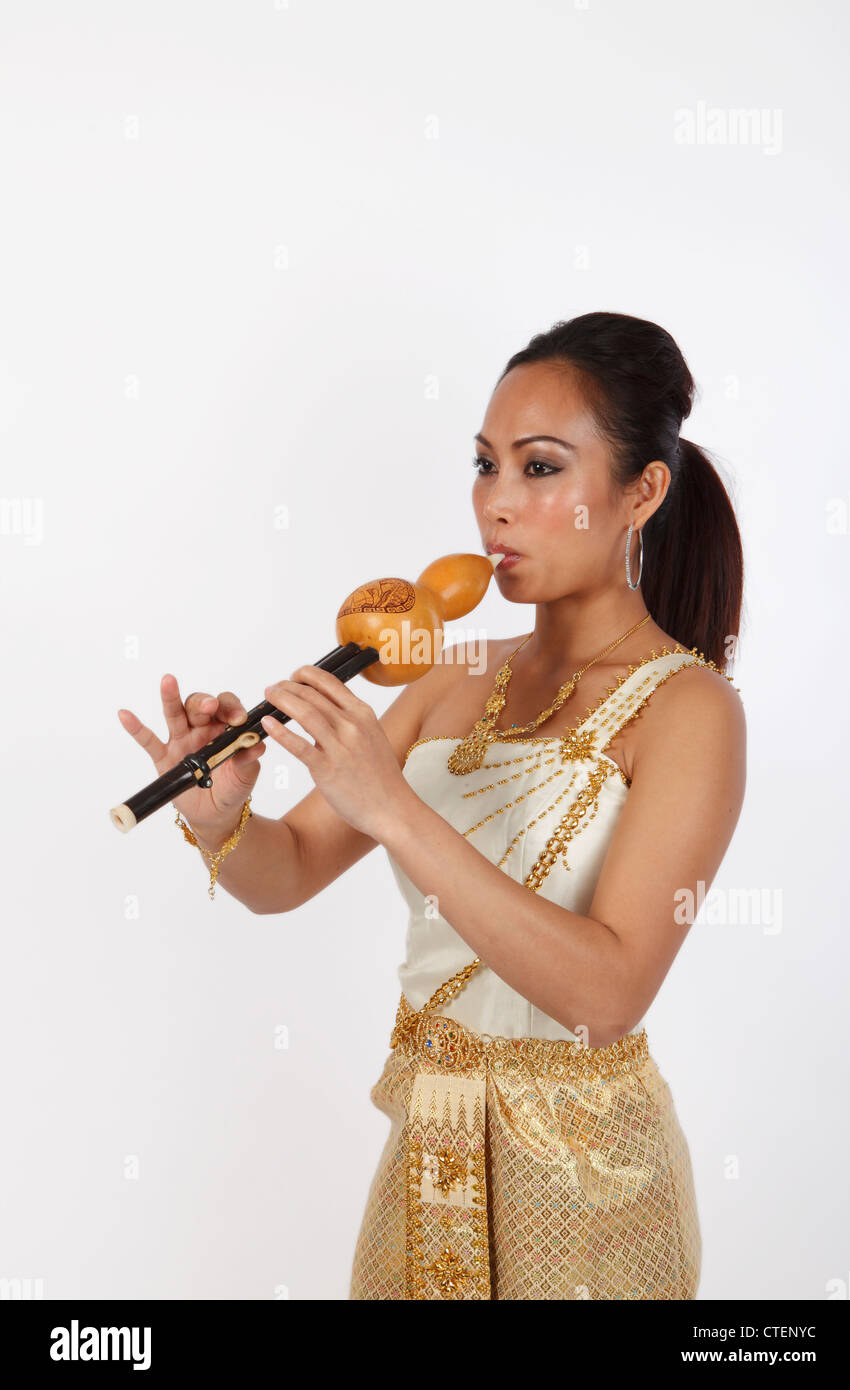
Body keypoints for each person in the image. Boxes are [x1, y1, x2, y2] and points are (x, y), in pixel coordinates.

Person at [118, 310, 746, 1300]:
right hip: (429, 1147)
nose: (494, 503)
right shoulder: (449, 676)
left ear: (641, 491)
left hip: (587, 1183)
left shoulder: (687, 707)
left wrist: (395, 809)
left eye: (539, 468)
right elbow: (282, 876)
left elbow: (608, 994)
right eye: (484, 464)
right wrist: (218, 812)